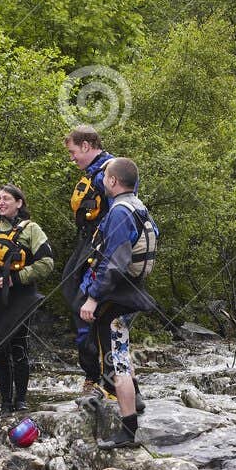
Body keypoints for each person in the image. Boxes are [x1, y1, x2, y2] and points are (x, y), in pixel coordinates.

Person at [75, 156, 158, 449]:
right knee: (121, 350)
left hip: (116, 297)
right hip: (132, 293)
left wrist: (93, 299)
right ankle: (135, 400)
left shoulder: (120, 212)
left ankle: (128, 430)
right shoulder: (140, 207)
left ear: (112, 181)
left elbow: (115, 262)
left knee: (115, 363)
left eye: (105, 178)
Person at [0, 184, 55, 417]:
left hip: (20, 296)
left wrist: (16, 278)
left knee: (18, 347)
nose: (0, 202)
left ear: (19, 203)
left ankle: (20, 401)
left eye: (6, 198)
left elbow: (47, 262)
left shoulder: (31, 230)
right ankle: (5, 403)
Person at [61, 127, 114, 391]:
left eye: (73, 152)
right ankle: (92, 374)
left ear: (85, 145)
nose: (72, 158)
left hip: (101, 250)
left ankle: (106, 381)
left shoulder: (110, 173)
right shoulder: (92, 175)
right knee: (74, 298)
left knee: (96, 311)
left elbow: (120, 215)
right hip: (86, 246)